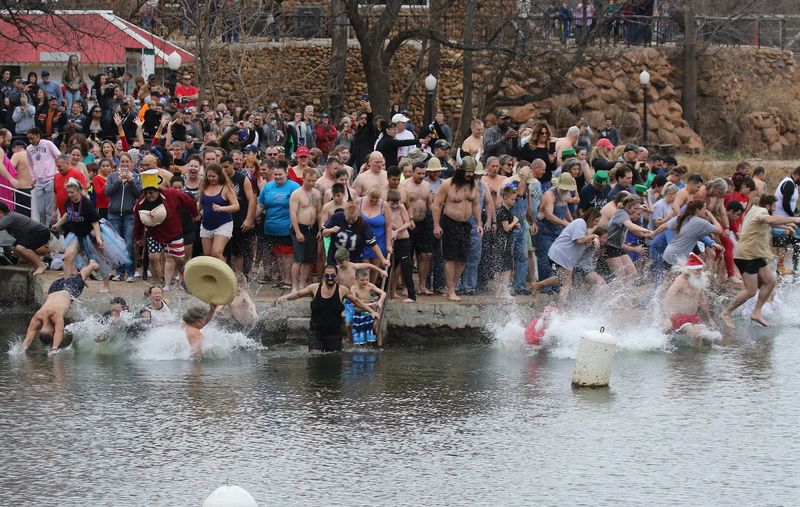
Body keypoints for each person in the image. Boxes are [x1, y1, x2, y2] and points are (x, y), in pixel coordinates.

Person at [722, 194, 800, 328]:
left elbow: (766, 224)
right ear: (768, 205)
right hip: (746, 256)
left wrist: (786, 226)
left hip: (755, 255)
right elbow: (768, 219)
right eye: (773, 207)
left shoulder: (755, 210)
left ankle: (756, 312)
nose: (774, 209)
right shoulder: (761, 212)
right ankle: (726, 312)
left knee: (770, 282)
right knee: (751, 290)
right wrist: (795, 219)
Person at [276, 264, 380, 353]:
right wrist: (286, 297)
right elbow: (299, 294)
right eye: (327, 275)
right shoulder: (314, 288)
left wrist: (371, 311)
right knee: (316, 357)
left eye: (333, 275)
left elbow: (356, 301)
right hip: (316, 333)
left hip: (334, 334)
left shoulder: (342, 290)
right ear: (323, 276)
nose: (330, 278)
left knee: (332, 359)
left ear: (337, 276)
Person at [51, 178, 129, 293]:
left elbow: (95, 222)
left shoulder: (87, 204)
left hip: (90, 233)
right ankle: (66, 286)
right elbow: (68, 214)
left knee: (99, 259)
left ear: (79, 190)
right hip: (76, 234)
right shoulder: (68, 201)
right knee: (68, 256)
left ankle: (106, 285)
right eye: (68, 192)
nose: (70, 195)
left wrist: (98, 238)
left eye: (72, 192)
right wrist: (58, 224)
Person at [133, 169, 199, 290]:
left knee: (179, 259)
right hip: (154, 234)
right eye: (146, 193)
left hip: (173, 232)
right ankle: (158, 284)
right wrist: (138, 237)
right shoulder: (141, 203)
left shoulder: (172, 194)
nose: (148, 195)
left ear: (157, 190)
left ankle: (183, 277)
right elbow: (138, 221)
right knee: (153, 258)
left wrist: (194, 214)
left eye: (151, 192)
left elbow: (189, 201)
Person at [21, 260, 99, 354]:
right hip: (54, 288)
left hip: (69, 290)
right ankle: (78, 278)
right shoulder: (37, 316)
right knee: (76, 281)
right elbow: (28, 338)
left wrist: (54, 349)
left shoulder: (55, 315)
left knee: (82, 275)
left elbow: (59, 332)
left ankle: (92, 265)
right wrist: (22, 349)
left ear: (52, 331)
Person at [432, 157, 483, 301]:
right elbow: (436, 205)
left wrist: (479, 223)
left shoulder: (474, 185)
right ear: (460, 170)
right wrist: (436, 225)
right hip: (450, 223)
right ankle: (451, 289)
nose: (470, 175)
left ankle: (452, 287)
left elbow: (475, 205)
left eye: (472, 172)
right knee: (450, 258)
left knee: (462, 259)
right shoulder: (447, 184)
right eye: (467, 172)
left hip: (466, 225)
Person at [538, 208, 606, 306]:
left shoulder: (584, 228)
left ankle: (539, 286)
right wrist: (593, 236)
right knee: (567, 284)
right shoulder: (580, 222)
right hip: (560, 255)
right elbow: (578, 240)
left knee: (563, 280)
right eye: (596, 221)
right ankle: (560, 307)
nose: (596, 224)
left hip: (563, 257)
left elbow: (582, 244)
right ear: (590, 218)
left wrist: (592, 241)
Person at [662, 254, 719, 339]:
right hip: (678, 317)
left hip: (692, 318)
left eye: (700, 270)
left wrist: (709, 319)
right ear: (689, 270)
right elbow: (668, 297)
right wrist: (667, 318)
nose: (699, 273)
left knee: (708, 338)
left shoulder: (698, 282)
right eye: (697, 270)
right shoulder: (681, 281)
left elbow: (703, 301)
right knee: (698, 334)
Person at [322, 202, 389, 268]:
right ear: (345, 214)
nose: (351, 221)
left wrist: (382, 259)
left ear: (358, 216)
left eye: (353, 219)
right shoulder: (336, 217)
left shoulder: (363, 224)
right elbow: (323, 233)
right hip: (335, 255)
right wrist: (331, 230)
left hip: (354, 257)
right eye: (348, 219)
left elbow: (372, 243)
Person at [401, 161, 434, 294]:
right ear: (413, 172)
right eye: (419, 173)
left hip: (424, 222)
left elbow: (430, 205)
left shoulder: (426, 185)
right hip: (409, 222)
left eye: (423, 173)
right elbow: (402, 205)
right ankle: (406, 286)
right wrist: (408, 220)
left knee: (426, 254)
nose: (421, 176)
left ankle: (422, 286)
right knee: (407, 255)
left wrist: (435, 223)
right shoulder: (405, 185)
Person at [289, 167, 322, 291]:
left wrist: (320, 229)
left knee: (309, 259)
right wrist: (297, 232)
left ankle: (302, 283)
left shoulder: (316, 193)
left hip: (312, 228)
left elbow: (319, 212)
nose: (311, 183)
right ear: (303, 179)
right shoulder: (296, 194)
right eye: (309, 180)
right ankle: (294, 285)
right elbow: (293, 214)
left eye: (313, 180)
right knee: (298, 259)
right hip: (300, 227)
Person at [199, 163, 239, 261]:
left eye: (213, 176)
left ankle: (225, 270)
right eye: (209, 176)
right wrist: (193, 212)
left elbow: (236, 206)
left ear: (219, 175)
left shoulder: (226, 188)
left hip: (223, 224)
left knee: (216, 253)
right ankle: (212, 271)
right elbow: (200, 204)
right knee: (207, 255)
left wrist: (221, 208)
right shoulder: (204, 186)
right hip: (206, 225)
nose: (211, 178)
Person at [0, 201, 49, 275]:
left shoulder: (8, 217)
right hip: (30, 234)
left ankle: (41, 265)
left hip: (40, 233)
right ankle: (30, 263)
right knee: (11, 245)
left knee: (21, 247)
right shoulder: (9, 216)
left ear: (0, 212)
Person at [26, 127, 61, 227]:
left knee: (49, 210)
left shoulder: (48, 143)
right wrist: (34, 178)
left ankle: (49, 230)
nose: (31, 141)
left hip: (51, 179)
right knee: (41, 209)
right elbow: (30, 164)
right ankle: (44, 228)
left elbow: (58, 156)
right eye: (29, 139)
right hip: (39, 181)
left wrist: (58, 172)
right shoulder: (29, 149)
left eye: (32, 138)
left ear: (38, 136)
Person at [385, 188, 415, 302]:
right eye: (392, 204)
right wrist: (391, 230)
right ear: (388, 201)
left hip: (403, 240)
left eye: (397, 203)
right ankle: (386, 293)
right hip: (391, 242)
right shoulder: (385, 208)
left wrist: (397, 230)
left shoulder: (401, 207)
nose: (395, 206)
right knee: (388, 267)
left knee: (406, 267)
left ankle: (411, 295)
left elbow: (407, 223)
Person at [493, 186, 520, 297]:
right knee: (505, 267)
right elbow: (506, 228)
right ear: (505, 198)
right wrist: (515, 221)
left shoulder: (507, 211)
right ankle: (502, 291)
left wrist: (515, 225)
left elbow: (508, 225)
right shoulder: (503, 211)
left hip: (505, 241)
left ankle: (501, 291)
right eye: (512, 199)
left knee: (503, 266)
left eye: (515, 199)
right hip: (503, 242)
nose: (514, 201)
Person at [349, 267, 386, 346]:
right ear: (356, 279)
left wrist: (380, 302)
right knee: (357, 329)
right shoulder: (353, 288)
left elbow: (383, 293)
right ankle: (358, 344)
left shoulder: (369, 285)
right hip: (357, 311)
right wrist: (371, 304)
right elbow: (354, 303)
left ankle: (373, 343)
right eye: (362, 280)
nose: (365, 282)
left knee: (372, 323)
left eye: (367, 280)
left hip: (367, 311)